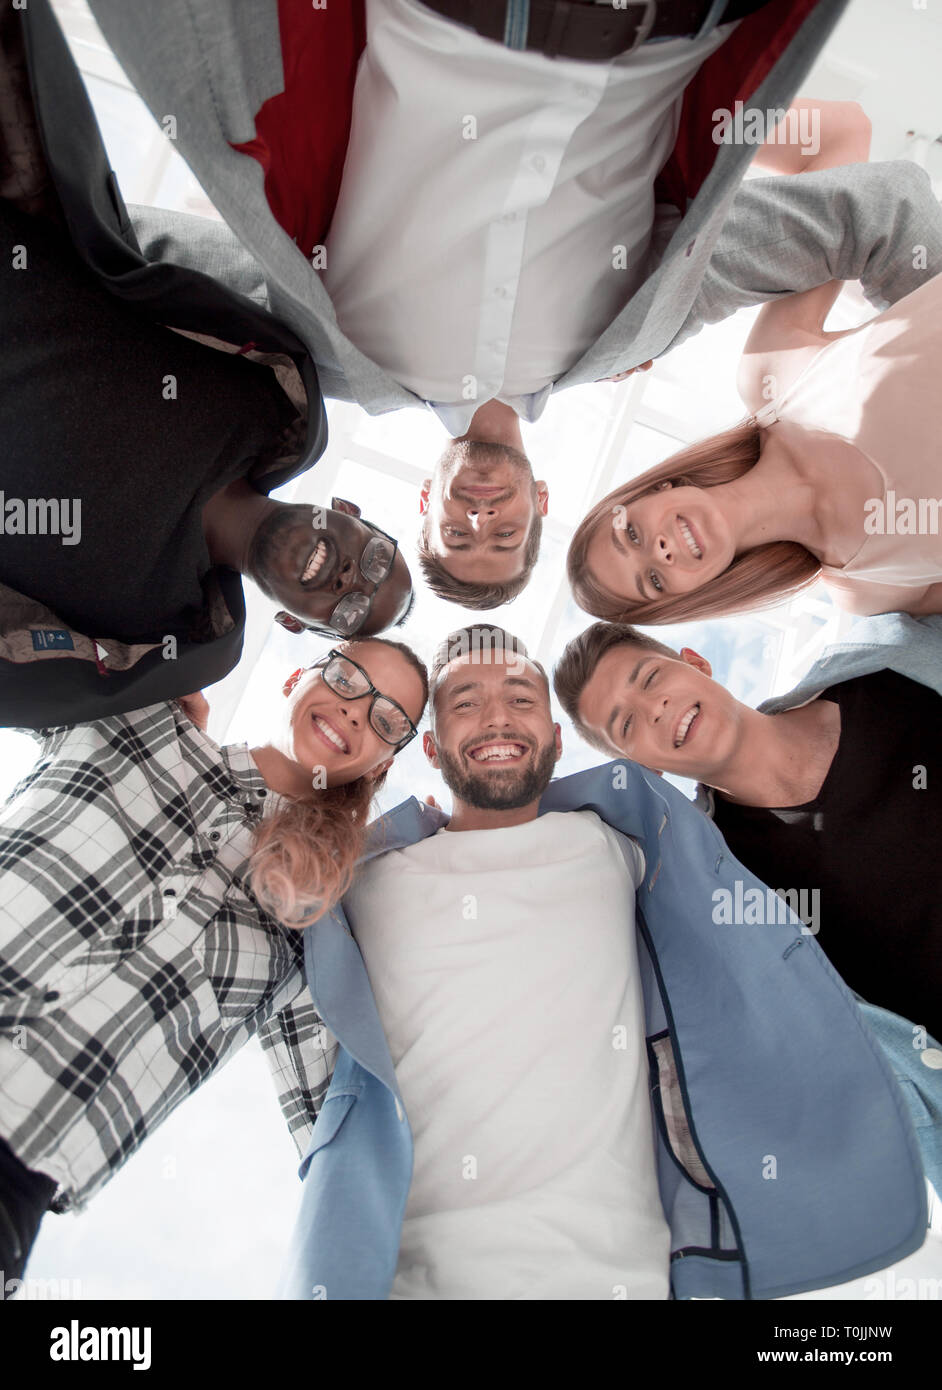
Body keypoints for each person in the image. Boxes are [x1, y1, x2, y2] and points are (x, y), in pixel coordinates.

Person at [71, 1, 942, 604]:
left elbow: (139, 250)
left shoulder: (321, 356)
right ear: (544, 506)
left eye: (460, 534)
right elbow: (874, 214)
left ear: (425, 504)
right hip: (675, 27)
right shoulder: (644, 332)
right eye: (503, 536)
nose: (482, 516)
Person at [277, 624, 928, 1301]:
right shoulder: (365, 881)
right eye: (466, 702)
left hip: (625, 1280)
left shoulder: (625, 847)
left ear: (559, 741)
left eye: (522, 699)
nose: (498, 716)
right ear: (434, 746)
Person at [0, 8, 414, 729]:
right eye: (374, 562)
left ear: (298, 628)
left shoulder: (178, 628)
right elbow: (158, 257)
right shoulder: (272, 399)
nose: (352, 580)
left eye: (351, 610)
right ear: (349, 514)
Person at [0, 637, 428, 1297]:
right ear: (295, 678)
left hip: (17, 1172)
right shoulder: (135, 720)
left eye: (388, 719)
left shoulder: (312, 932)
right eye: (346, 677)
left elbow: (342, 1140)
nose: (354, 712)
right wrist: (146, 654)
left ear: (381, 764)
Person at [553, 615, 942, 1191]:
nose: (655, 708)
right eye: (628, 723)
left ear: (696, 661)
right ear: (641, 765)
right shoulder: (723, 891)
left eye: (651, 677)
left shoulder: (886, 669)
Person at [567, 263, 942, 624]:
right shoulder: (866, 588)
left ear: (656, 489)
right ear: (692, 594)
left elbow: (844, 213)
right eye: (654, 581)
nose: (660, 553)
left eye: (632, 534)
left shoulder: (770, 380)